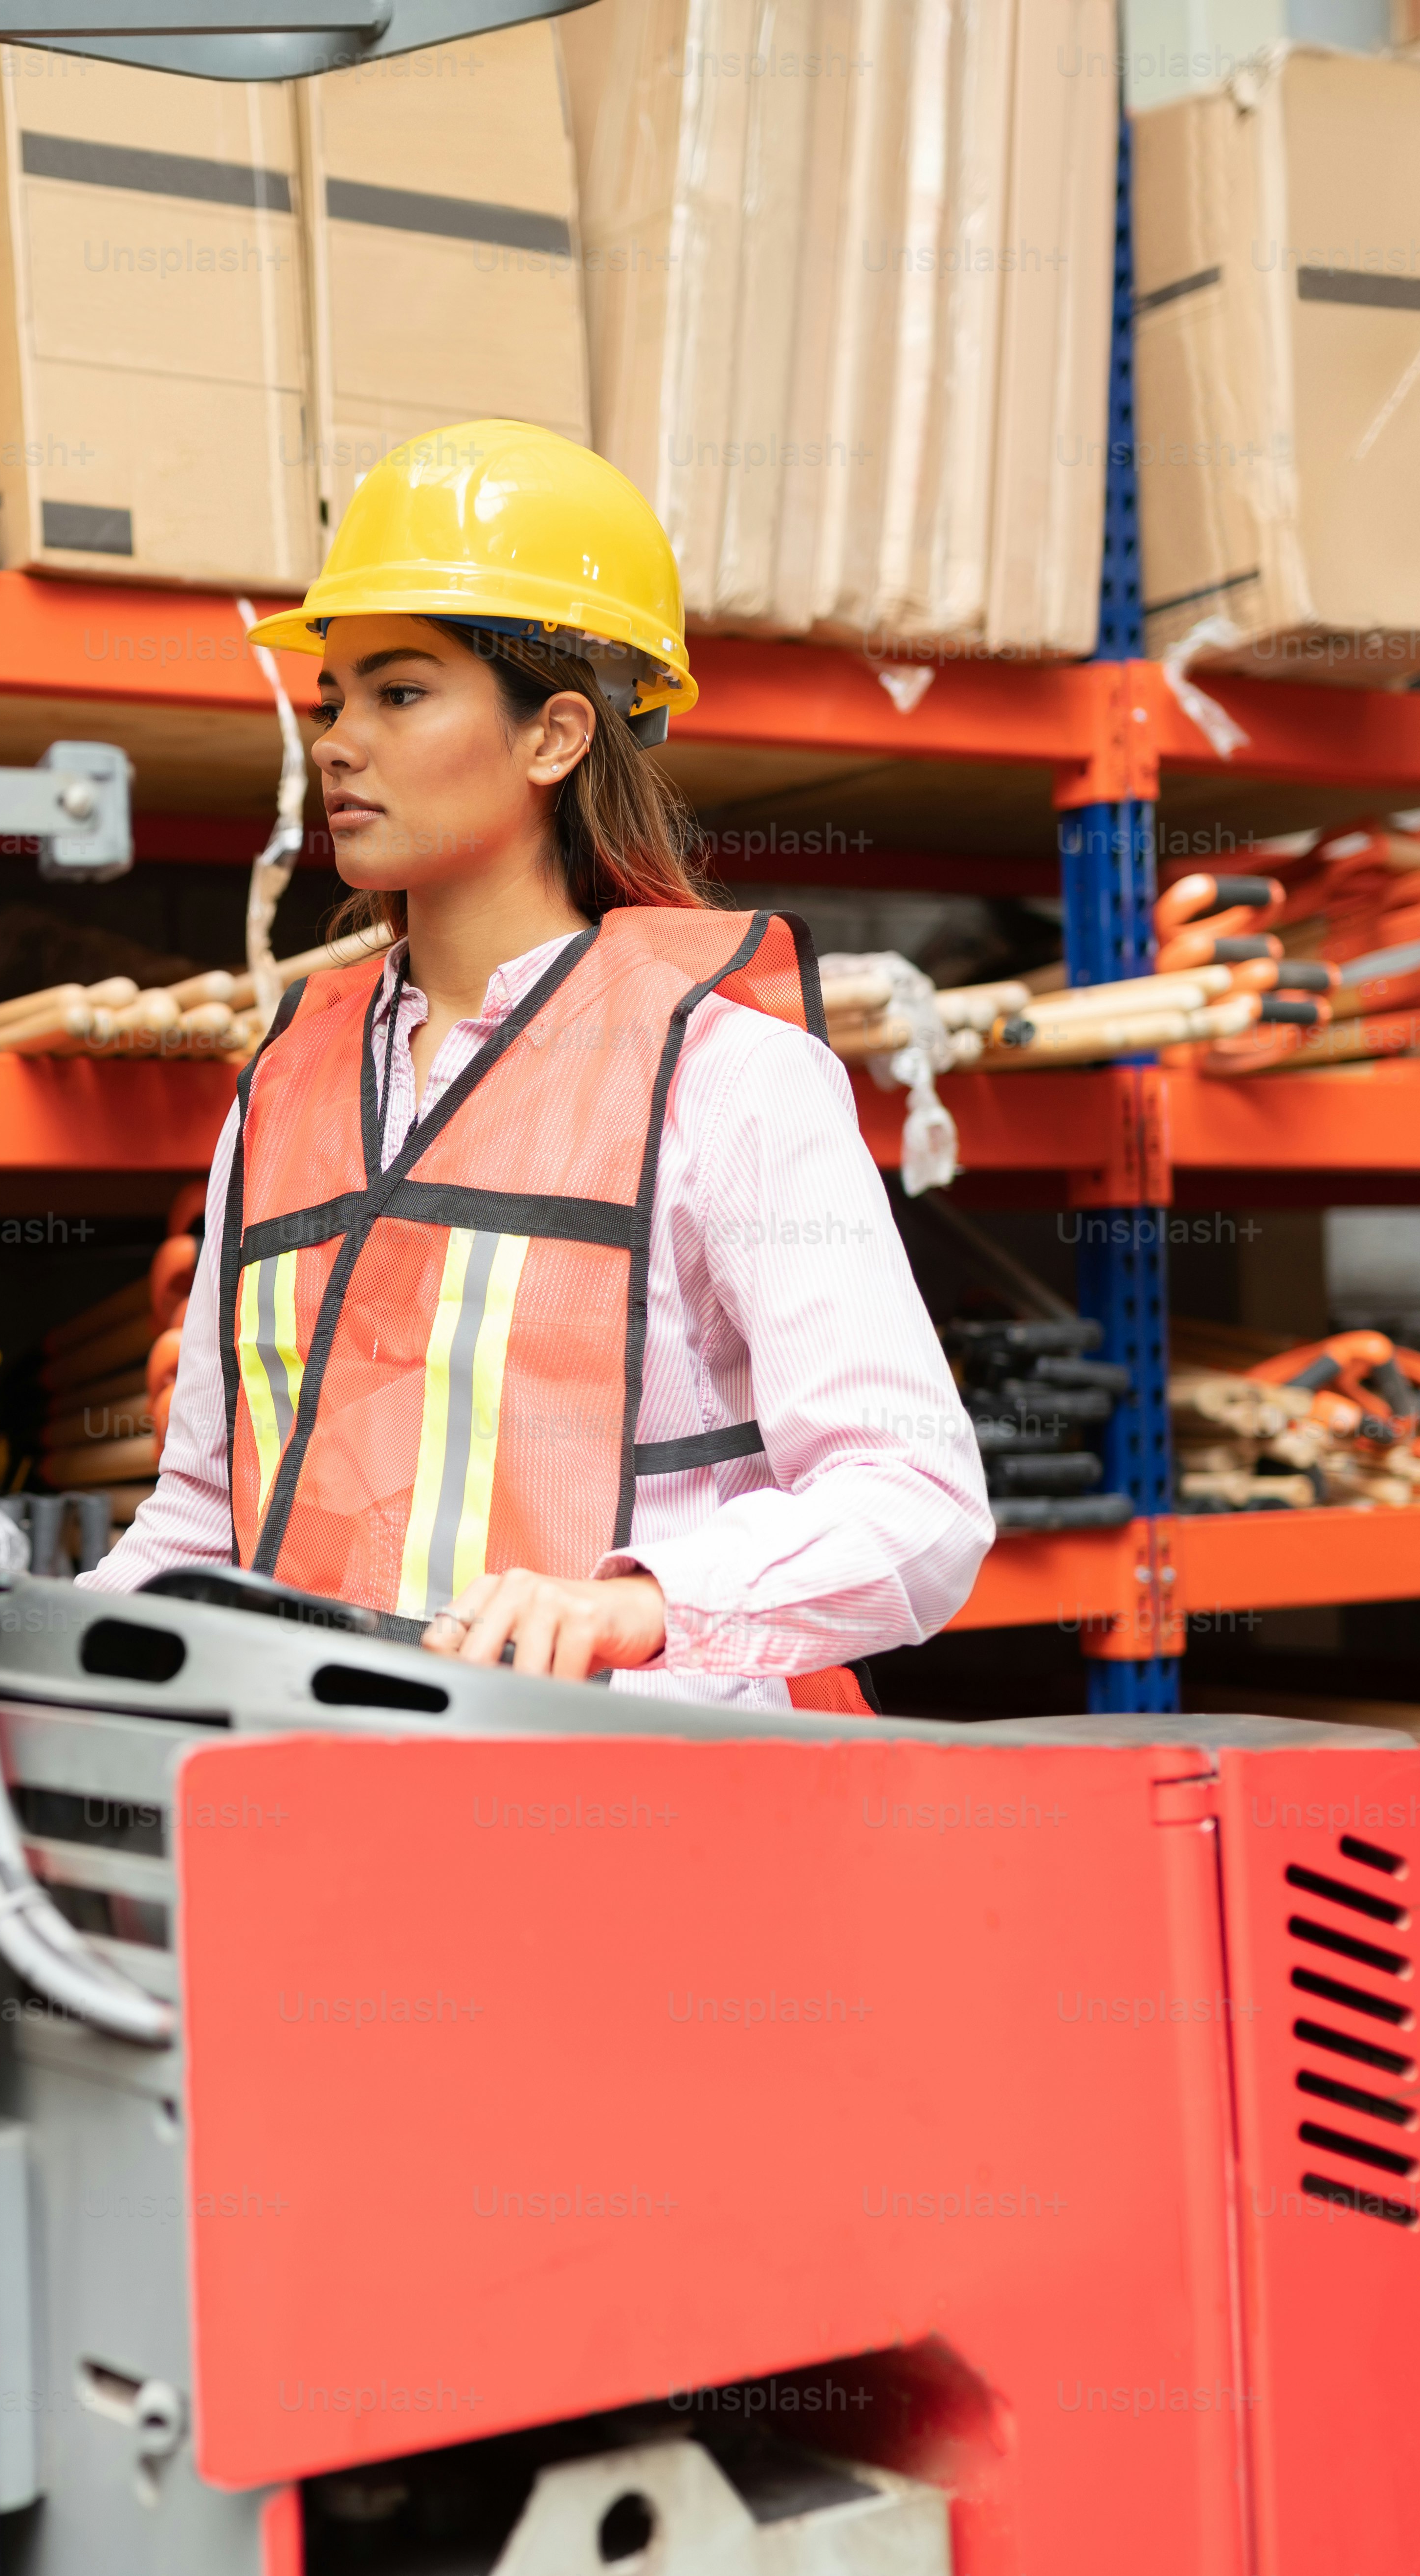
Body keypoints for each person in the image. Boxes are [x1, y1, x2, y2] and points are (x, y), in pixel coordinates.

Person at [80, 420, 990, 1702]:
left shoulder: (721, 1072)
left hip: (640, 1827)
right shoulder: (288, 1083)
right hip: (338, 1816)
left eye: (399, 694)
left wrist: (634, 1608)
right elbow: (202, 1517)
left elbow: (918, 1496)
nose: (337, 740)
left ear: (556, 736)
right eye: (333, 697)